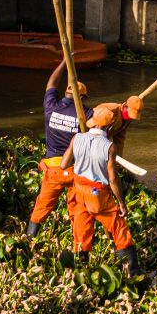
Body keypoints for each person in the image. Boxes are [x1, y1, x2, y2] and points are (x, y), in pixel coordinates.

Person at [59, 102, 138, 274]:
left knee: (81, 233)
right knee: (119, 228)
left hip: (78, 191)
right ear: (109, 127)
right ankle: (132, 272)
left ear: (93, 122)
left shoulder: (77, 138)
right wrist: (122, 203)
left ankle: (81, 271)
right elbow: (113, 179)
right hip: (96, 193)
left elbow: (63, 164)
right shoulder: (109, 147)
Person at [25, 57, 86, 237]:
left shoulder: (51, 106)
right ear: (81, 98)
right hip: (74, 170)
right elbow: (101, 121)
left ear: (66, 93)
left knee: (42, 206)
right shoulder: (85, 115)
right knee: (76, 209)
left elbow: (51, 82)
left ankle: (29, 238)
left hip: (53, 170)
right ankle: (79, 244)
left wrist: (65, 61)